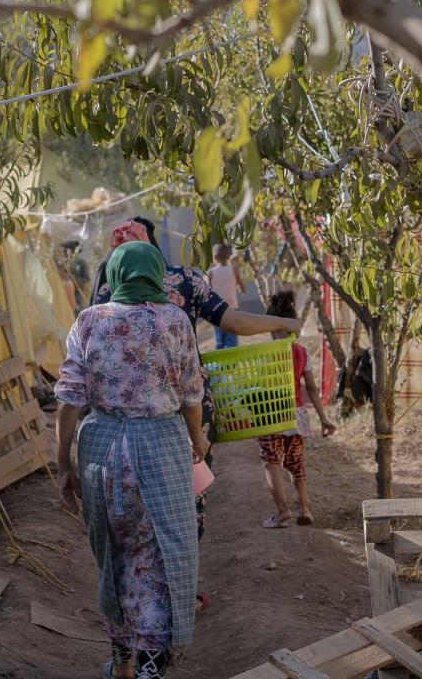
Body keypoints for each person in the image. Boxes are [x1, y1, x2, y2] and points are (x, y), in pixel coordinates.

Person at [55, 242, 208, 679]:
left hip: (100, 449)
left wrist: (64, 464)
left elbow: (68, 401)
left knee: (113, 553)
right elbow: (190, 393)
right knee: (159, 563)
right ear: (158, 275)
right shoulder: (175, 321)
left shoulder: (89, 320)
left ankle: (121, 664)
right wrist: (197, 442)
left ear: (114, 274)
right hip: (160, 449)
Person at [86, 219, 298, 543]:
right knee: (188, 492)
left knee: (138, 501)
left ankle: (147, 578)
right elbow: (233, 320)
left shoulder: (107, 292)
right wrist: (282, 320)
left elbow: (91, 358)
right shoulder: (186, 280)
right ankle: (184, 579)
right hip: (189, 411)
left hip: (127, 417)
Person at [258, 290, 336, 528]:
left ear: (271, 326)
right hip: (297, 415)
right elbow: (311, 388)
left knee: (271, 460)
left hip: (271, 414)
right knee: (296, 462)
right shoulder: (301, 352)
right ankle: (304, 507)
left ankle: (283, 512)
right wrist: (323, 418)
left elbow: (257, 389)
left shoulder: (263, 354)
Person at [206, 244, 243, 350]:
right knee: (231, 341)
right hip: (232, 309)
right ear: (228, 256)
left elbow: (208, 294)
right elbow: (243, 289)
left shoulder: (211, 273)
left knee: (219, 341)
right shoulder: (234, 270)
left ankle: (220, 365)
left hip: (217, 310)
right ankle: (232, 365)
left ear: (214, 257)